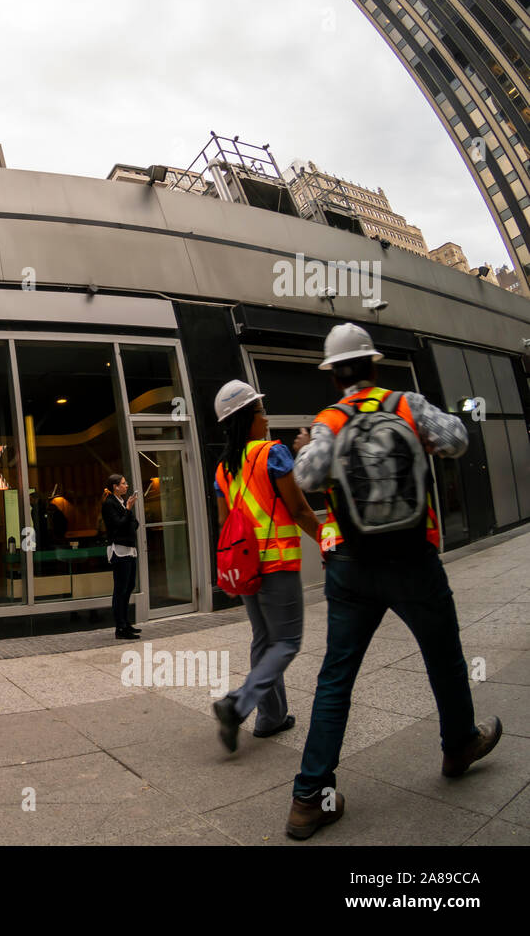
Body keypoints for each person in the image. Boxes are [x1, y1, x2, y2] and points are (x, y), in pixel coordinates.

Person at [285, 322, 501, 839]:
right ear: (374, 365)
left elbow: (307, 479)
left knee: (336, 678)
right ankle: (458, 746)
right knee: (445, 656)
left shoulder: (329, 421)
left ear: (335, 374)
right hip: (413, 562)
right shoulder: (409, 404)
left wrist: (306, 445)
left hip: (350, 570)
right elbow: (457, 440)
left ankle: (309, 799)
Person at [211, 380, 322, 753]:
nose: (266, 417)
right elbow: (300, 509)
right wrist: (330, 541)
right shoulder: (273, 454)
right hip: (276, 562)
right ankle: (238, 704)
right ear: (248, 418)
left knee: (264, 639)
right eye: (260, 411)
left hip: (245, 568)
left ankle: (271, 717)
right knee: (287, 641)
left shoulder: (223, 469)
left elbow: (226, 524)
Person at [101, 474, 140, 639]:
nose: (127, 485)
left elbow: (134, 524)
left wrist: (127, 512)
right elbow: (118, 525)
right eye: (124, 483)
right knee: (120, 590)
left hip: (130, 548)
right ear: (115, 486)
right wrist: (129, 509)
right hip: (119, 550)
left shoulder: (122, 502)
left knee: (129, 587)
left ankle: (126, 622)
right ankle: (120, 628)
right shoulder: (109, 504)